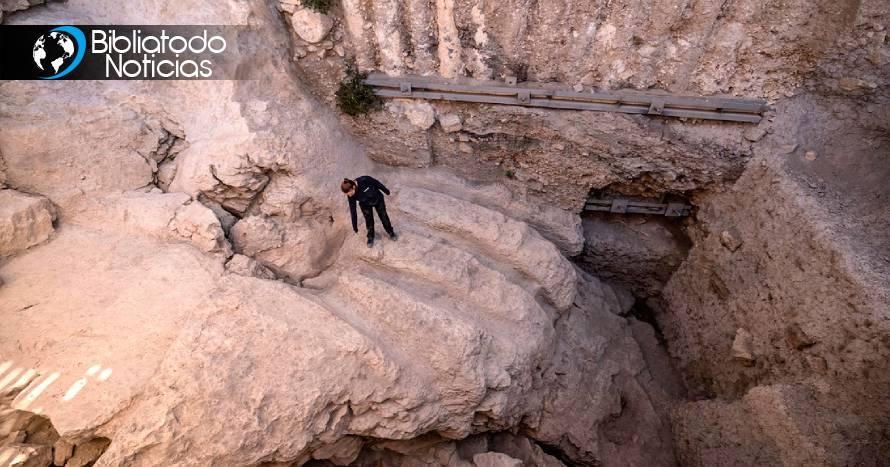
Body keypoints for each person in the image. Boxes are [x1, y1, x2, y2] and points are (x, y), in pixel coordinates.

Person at [342, 176, 397, 247]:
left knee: (383, 217)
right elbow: (353, 210)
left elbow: (377, 183)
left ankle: (391, 232)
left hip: (377, 199)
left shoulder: (364, 180)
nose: (349, 195)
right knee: (369, 220)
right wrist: (354, 226)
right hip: (364, 203)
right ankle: (370, 237)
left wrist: (386, 191)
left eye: (349, 193)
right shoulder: (350, 195)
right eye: (347, 194)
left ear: (353, 187)